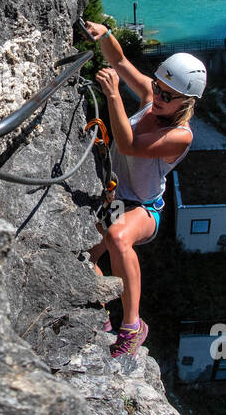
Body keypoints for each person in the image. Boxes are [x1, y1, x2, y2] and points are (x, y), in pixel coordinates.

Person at [82, 20, 207, 357]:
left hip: (144, 208)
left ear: (186, 102)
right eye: (158, 88)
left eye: (168, 96)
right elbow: (121, 63)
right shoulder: (154, 96)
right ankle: (101, 314)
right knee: (82, 256)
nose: (159, 97)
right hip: (116, 198)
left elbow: (128, 144)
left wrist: (111, 95)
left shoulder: (180, 136)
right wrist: (104, 35)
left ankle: (132, 325)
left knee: (119, 238)